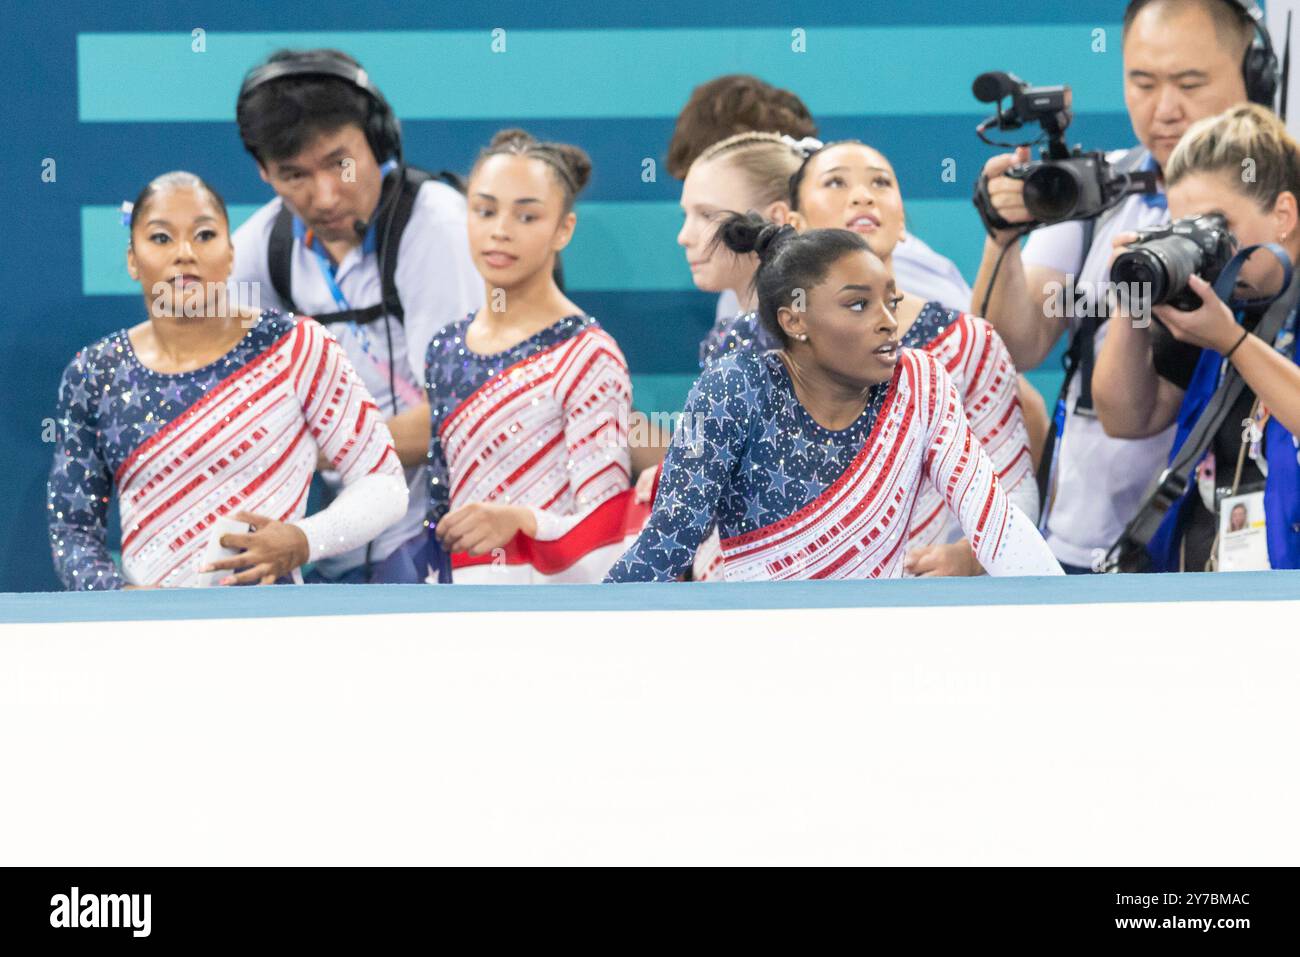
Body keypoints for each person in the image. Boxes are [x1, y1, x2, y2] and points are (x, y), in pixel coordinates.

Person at [970, 0, 1278, 573]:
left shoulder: (1277, 196)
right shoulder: (1089, 191)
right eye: (1142, 82)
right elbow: (1015, 346)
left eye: (1190, 82)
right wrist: (1002, 239)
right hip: (1077, 547)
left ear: (1255, 77)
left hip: (1210, 551)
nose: (1165, 109)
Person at [605, 215, 1063, 582]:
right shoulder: (735, 387)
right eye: (859, 305)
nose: (888, 322)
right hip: (758, 650)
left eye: (892, 302)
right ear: (795, 320)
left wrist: (1067, 624)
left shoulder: (920, 381)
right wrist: (589, 634)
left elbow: (997, 526)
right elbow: (668, 542)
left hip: (879, 647)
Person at [47, 172, 408, 590]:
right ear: (132, 259)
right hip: (146, 640)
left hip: (270, 629)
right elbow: (72, 529)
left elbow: (385, 483)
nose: (184, 253)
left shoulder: (295, 347)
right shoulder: (96, 372)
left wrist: (304, 540)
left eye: (204, 235)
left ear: (231, 254)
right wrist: (121, 599)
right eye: (161, 238)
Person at [231, 48, 483, 583]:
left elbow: (463, 417)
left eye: (339, 164)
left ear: (379, 139)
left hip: (445, 541)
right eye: (293, 174)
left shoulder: (437, 225)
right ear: (264, 172)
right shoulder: (257, 247)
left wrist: (305, 448)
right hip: (327, 549)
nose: (324, 197)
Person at [787, 139, 1039, 576]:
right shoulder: (761, 346)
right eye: (835, 182)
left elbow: (1014, 487)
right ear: (794, 224)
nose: (863, 195)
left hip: (929, 608)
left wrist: (970, 557)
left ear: (901, 221)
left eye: (880, 183)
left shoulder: (967, 342)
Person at [425, 130, 646, 584]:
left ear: (563, 229)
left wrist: (521, 521)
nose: (500, 230)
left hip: (548, 605)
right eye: (484, 211)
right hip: (455, 601)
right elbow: (438, 503)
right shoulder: (445, 346)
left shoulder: (587, 356)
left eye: (527, 216)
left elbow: (604, 532)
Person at [1092, 103, 1300, 571]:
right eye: (1186, 228)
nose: (1203, 247)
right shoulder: (1209, 306)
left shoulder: (1221, 324)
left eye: (1217, 226)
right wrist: (1135, 299)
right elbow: (1126, 417)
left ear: (1283, 214)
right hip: (1203, 590)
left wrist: (1233, 345)